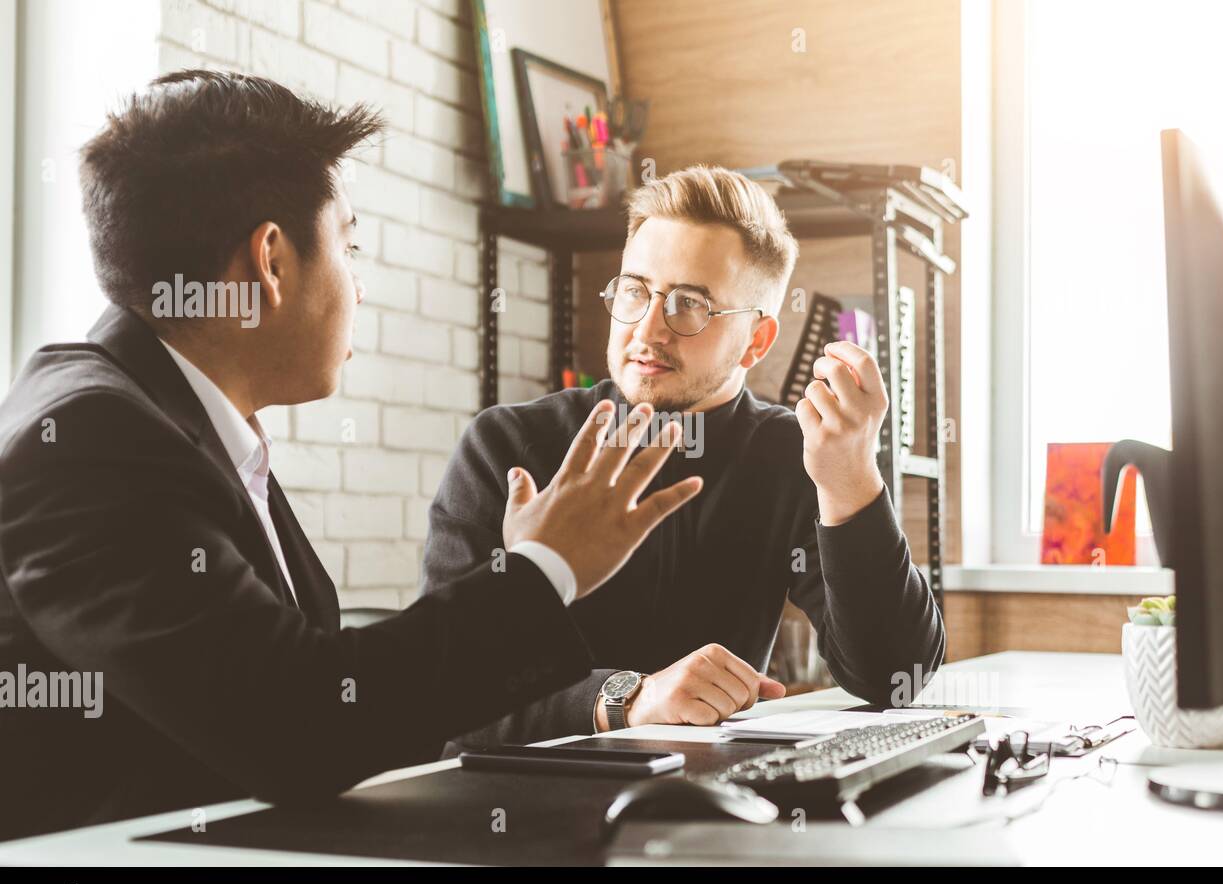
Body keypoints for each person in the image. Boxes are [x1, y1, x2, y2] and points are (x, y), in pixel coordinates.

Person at [0, 71, 700, 840]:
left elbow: (298, 690)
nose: (359, 288)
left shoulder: (173, 418)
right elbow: (295, 727)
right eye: (350, 244)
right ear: (269, 262)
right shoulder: (92, 441)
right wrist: (544, 568)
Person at [422, 165, 945, 751]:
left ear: (757, 341)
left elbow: (898, 680)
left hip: (719, 812)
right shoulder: (507, 445)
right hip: (518, 815)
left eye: (690, 304)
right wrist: (624, 700)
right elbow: (443, 687)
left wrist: (851, 483)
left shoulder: (791, 455)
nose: (648, 329)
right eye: (634, 290)